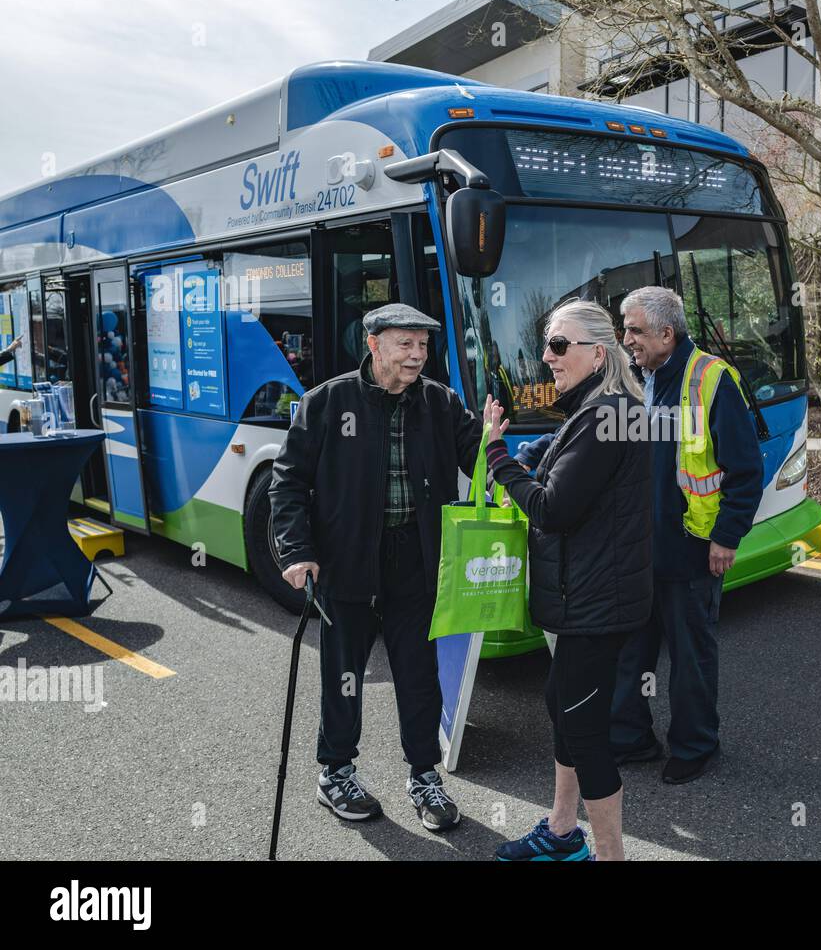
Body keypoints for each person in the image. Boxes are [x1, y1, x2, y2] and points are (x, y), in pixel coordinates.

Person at [269, 302, 481, 833]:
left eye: (423, 345)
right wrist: (296, 551)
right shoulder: (327, 402)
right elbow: (288, 482)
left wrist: (516, 451)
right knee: (344, 674)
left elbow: (478, 454)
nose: (416, 356)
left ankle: (424, 776)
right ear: (374, 344)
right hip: (347, 560)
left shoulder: (439, 402)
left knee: (417, 675)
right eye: (405, 344)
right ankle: (336, 772)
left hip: (416, 558)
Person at [484, 299, 652, 861]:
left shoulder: (605, 416)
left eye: (559, 346)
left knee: (583, 729)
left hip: (596, 599)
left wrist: (499, 459)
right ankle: (561, 831)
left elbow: (553, 508)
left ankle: (609, 854)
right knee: (562, 702)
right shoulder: (599, 407)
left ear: (597, 353)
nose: (547, 357)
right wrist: (529, 454)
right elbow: (562, 460)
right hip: (593, 592)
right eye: (547, 345)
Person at [609, 286, 763, 784]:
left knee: (691, 656)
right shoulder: (638, 377)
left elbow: (745, 470)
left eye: (634, 330)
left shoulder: (711, 380)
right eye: (624, 328)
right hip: (638, 550)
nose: (625, 339)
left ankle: (695, 745)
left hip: (692, 550)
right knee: (630, 652)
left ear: (666, 333)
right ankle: (630, 740)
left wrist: (727, 536)